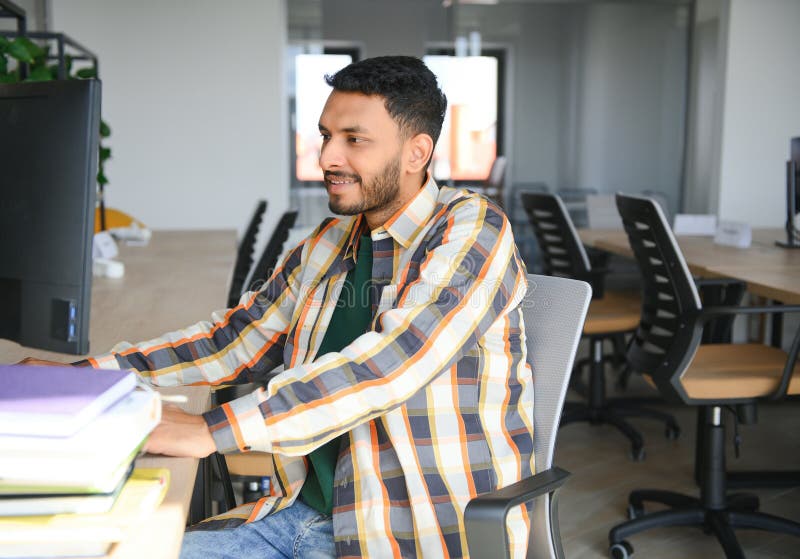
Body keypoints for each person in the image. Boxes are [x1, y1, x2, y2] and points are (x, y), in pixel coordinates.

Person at [23, 56, 533, 558]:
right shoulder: (330, 240)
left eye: (353, 140)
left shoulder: (472, 231)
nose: (328, 157)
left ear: (416, 152)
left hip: (410, 535)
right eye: (326, 135)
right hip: (294, 514)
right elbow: (233, 341)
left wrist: (210, 430)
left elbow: (388, 367)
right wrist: (86, 376)